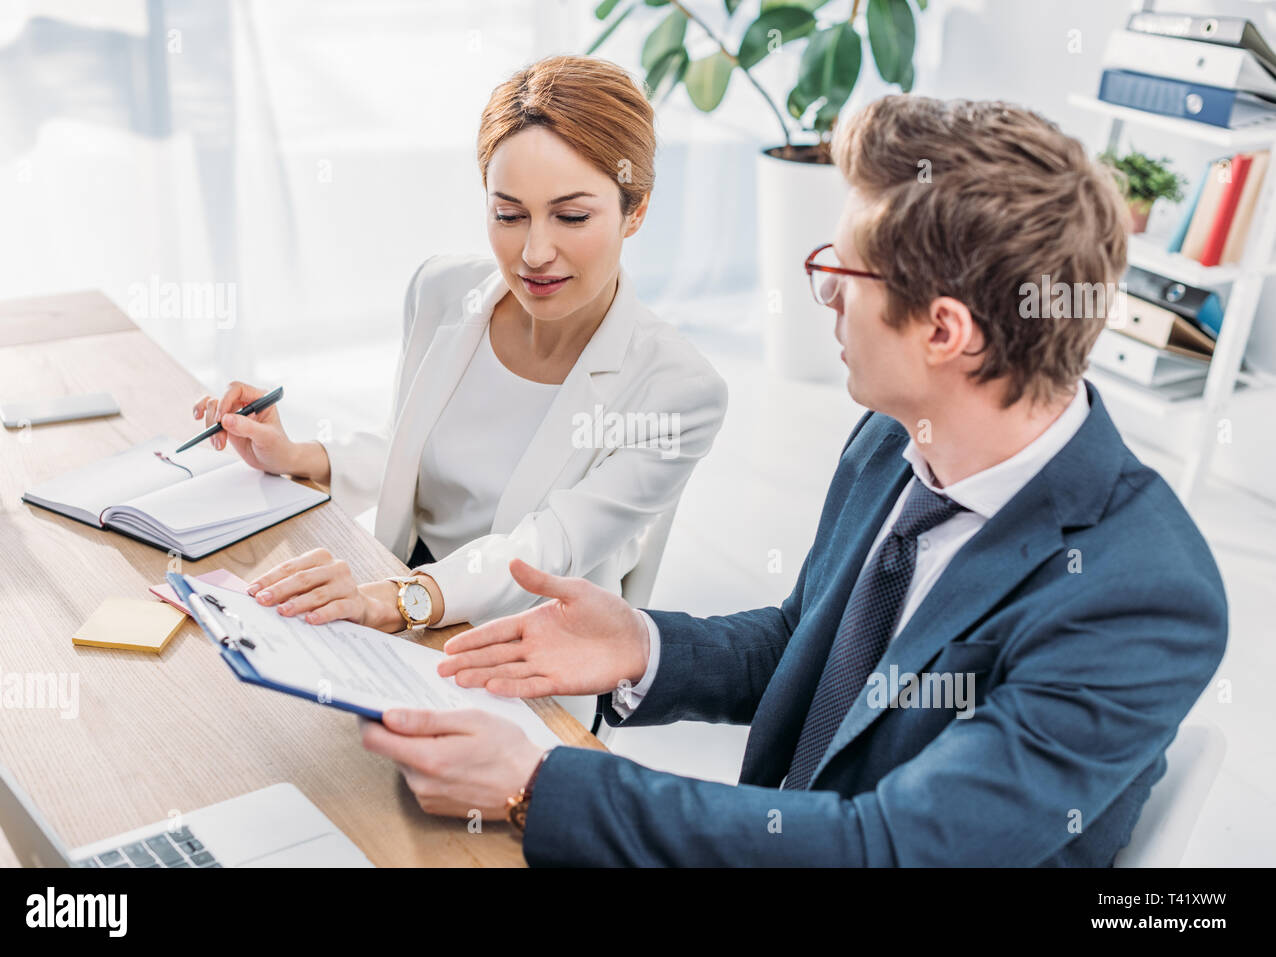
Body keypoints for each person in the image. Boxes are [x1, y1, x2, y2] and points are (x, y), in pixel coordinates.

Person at [357, 95, 1229, 866]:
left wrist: (539, 786)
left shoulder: (1139, 593)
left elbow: (894, 846)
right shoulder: (894, 442)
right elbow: (807, 640)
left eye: (841, 272)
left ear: (946, 330)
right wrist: (643, 646)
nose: (824, 296)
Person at [191, 55, 727, 636]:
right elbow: (411, 450)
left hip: (531, 641)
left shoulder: (680, 389)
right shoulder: (441, 290)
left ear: (636, 211)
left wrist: (399, 602)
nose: (535, 252)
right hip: (400, 591)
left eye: (571, 216)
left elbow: (549, 546)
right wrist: (297, 457)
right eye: (509, 214)